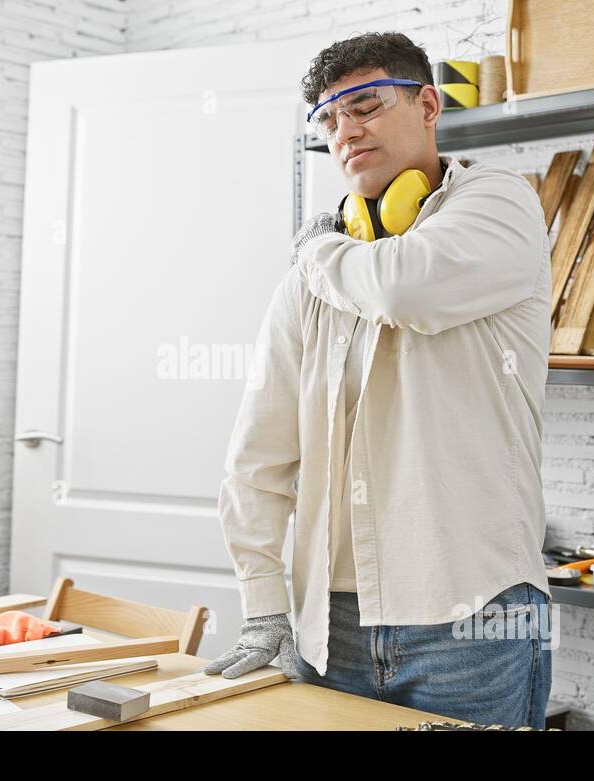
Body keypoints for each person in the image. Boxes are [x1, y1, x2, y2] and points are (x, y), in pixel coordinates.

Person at [201, 31, 555, 729]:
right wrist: (264, 599)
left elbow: (407, 288)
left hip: (472, 618)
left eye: (365, 106)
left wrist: (318, 253)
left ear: (428, 104)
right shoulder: (314, 273)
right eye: (330, 120)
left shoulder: (499, 205)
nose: (346, 131)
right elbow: (258, 456)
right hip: (330, 630)